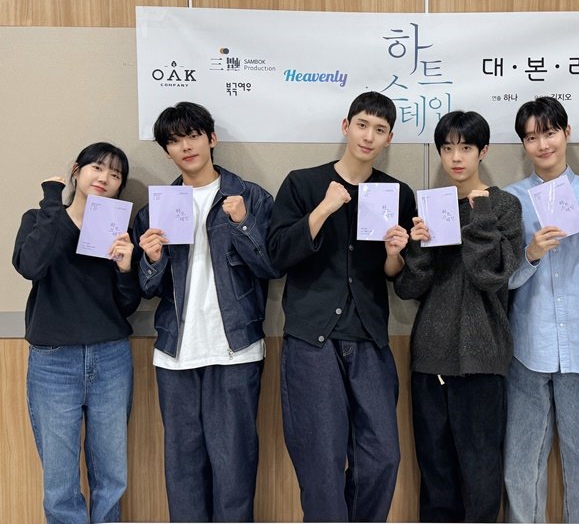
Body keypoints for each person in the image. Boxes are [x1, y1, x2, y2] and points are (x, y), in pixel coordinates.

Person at [268, 91, 415, 522]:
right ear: (346, 126)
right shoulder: (303, 183)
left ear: (389, 139)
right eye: (362, 125)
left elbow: (395, 275)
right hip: (312, 339)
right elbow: (277, 255)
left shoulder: (396, 193)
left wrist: (395, 253)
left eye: (380, 130)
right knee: (321, 463)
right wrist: (324, 209)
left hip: (369, 337)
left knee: (383, 456)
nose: (369, 136)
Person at [133, 102, 280, 522]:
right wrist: (152, 259)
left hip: (234, 350)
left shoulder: (249, 197)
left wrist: (243, 223)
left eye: (193, 135)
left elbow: (271, 267)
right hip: (175, 354)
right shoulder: (156, 209)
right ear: (167, 151)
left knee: (234, 467)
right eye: (175, 141)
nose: (186, 146)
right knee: (182, 469)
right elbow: (147, 289)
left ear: (212, 139)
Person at [503, 97, 579, 522]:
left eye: (550, 133)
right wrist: (531, 253)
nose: (543, 145)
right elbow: (503, 280)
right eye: (532, 137)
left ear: (567, 133)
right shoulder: (512, 200)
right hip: (528, 347)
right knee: (521, 465)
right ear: (524, 145)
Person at [394, 110, 522, 522]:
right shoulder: (431, 205)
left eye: (465, 147)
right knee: (436, 475)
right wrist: (419, 247)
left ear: (483, 151)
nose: (455, 157)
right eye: (447, 148)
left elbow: (491, 276)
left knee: (481, 473)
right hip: (431, 357)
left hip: (483, 359)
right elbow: (408, 289)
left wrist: (479, 213)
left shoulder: (504, 206)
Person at [13, 142, 139, 523]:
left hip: (111, 356)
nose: (104, 178)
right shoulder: (40, 219)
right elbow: (31, 266)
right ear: (76, 170)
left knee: (111, 477)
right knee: (60, 484)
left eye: (115, 175)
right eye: (97, 168)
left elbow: (126, 305)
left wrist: (125, 269)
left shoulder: (117, 228)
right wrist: (52, 198)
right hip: (54, 361)